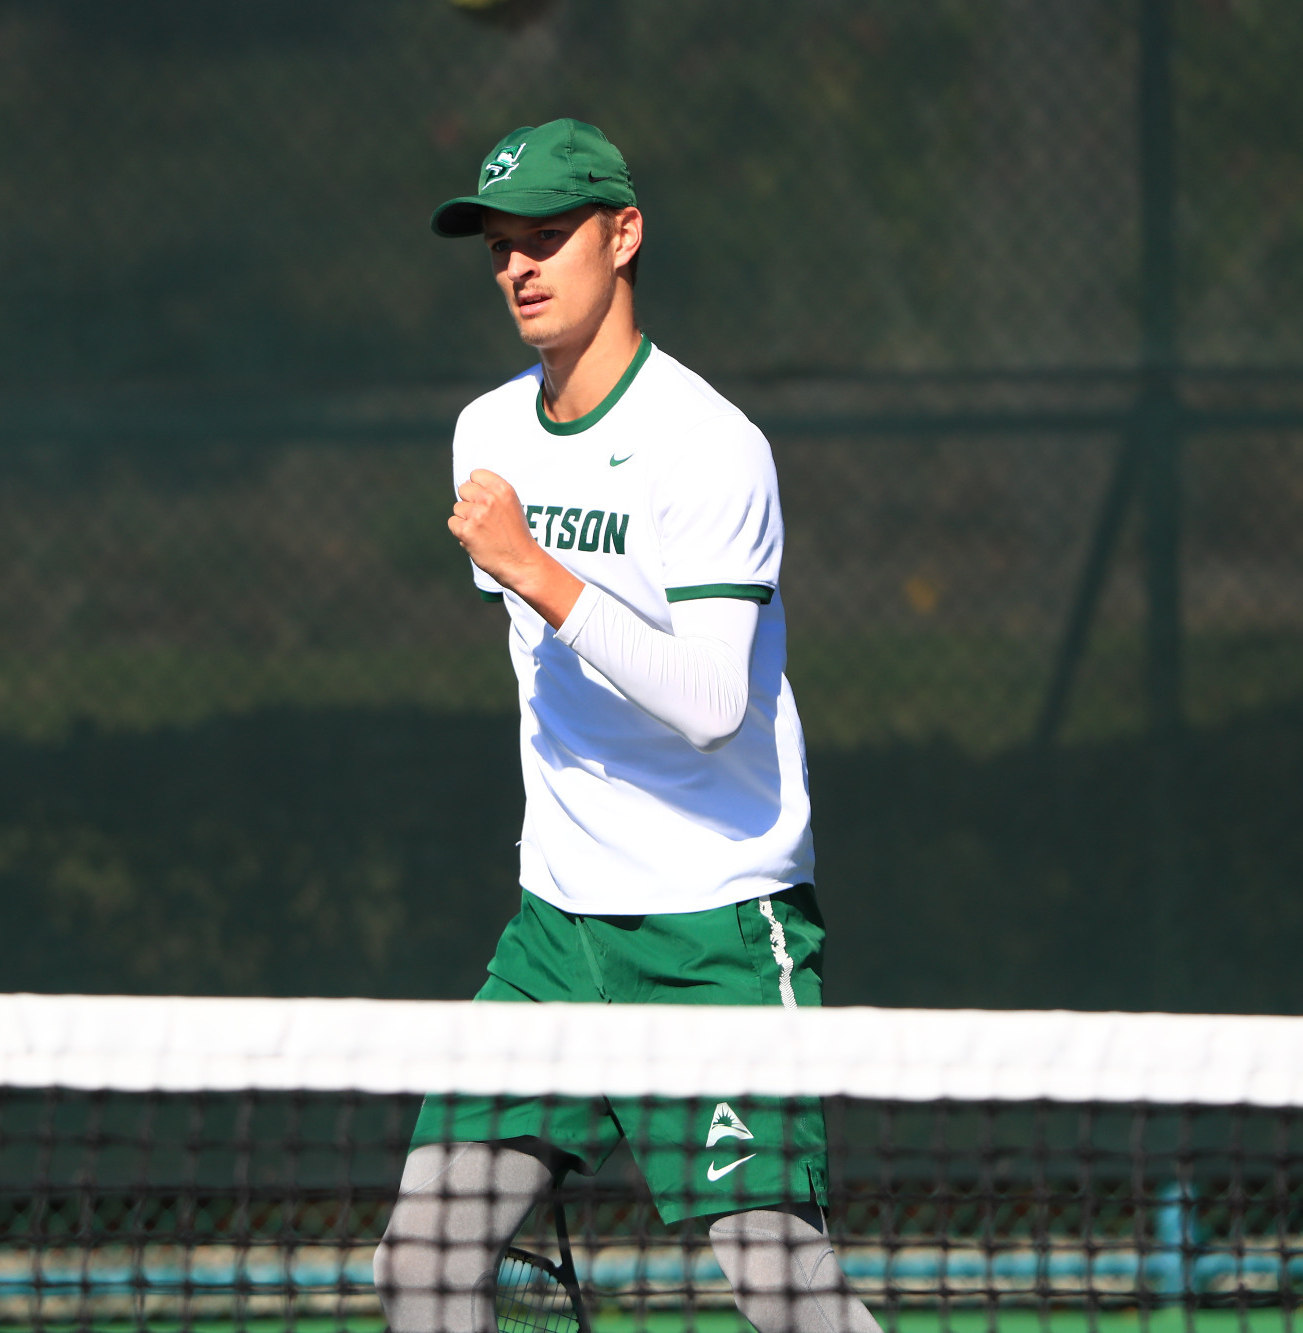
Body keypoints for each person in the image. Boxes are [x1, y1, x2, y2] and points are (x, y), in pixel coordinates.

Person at [372, 119, 877, 1333]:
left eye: (547, 238)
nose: (518, 270)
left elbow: (711, 703)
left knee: (785, 1290)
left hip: (711, 933)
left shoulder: (709, 448)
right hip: (553, 940)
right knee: (420, 1263)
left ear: (623, 234)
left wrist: (536, 567)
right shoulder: (484, 433)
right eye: (501, 248)